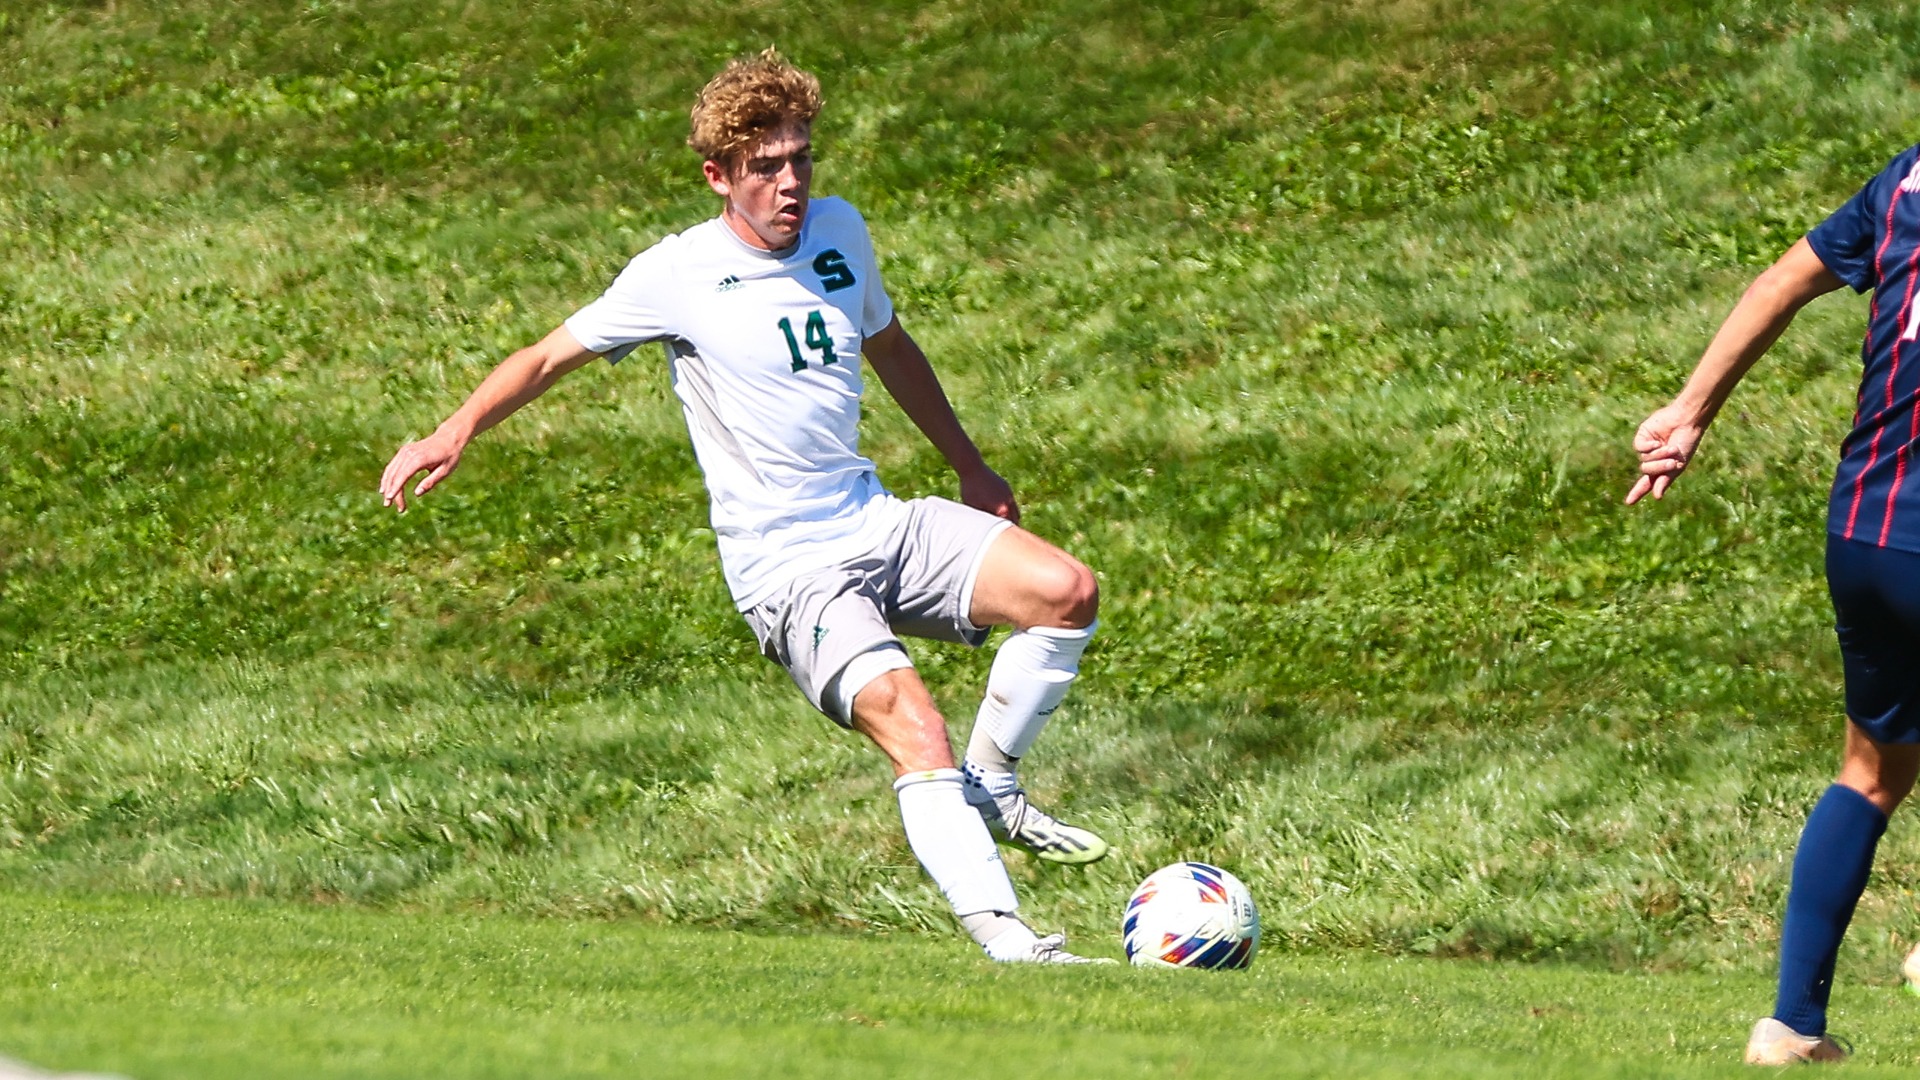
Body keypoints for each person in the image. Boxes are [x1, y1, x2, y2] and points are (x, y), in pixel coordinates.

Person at [378, 49, 1110, 963]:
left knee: (1065, 589)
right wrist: (454, 430)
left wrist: (970, 466)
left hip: (873, 518)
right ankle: (1014, 945)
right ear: (719, 177)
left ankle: (994, 783)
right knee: (914, 725)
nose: (791, 181)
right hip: (785, 565)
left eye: (801, 157)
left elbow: (889, 345)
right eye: (766, 167)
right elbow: (544, 357)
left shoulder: (842, 231)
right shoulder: (676, 274)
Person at [1627, 144, 1920, 1063]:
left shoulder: (1909, 179)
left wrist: (1688, 411)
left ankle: (1790, 1025)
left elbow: (1778, 283)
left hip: (1868, 531)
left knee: (1872, 771)